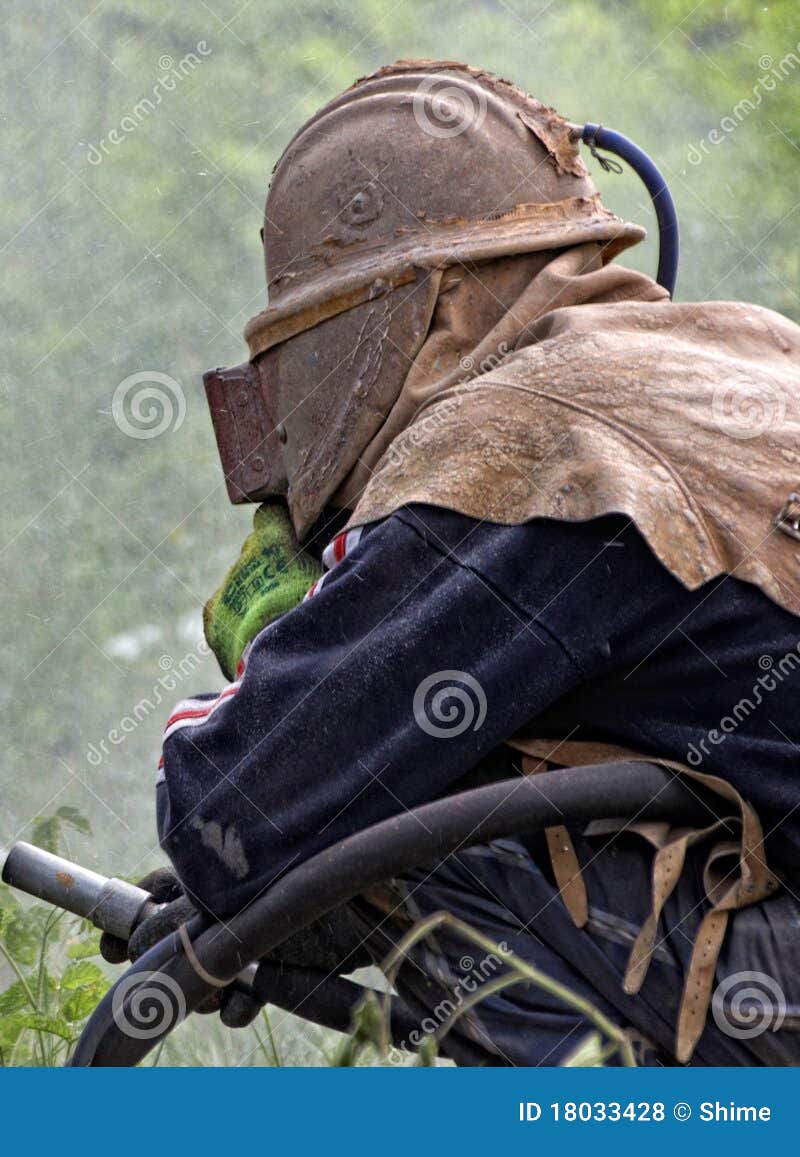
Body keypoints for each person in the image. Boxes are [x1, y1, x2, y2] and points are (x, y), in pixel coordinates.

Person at [106, 60, 800, 1065]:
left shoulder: (527, 435)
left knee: (439, 831)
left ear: (413, 310)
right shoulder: (751, 354)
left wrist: (284, 628)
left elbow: (235, 804)